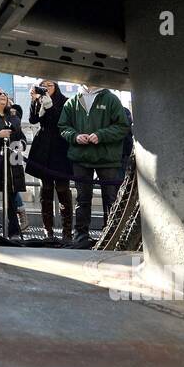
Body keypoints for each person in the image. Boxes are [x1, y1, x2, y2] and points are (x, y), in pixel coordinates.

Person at [59, 83, 131, 246]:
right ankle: (81, 235)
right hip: (81, 157)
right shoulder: (71, 102)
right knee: (83, 198)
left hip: (107, 158)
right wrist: (75, 136)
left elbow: (122, 126)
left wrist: (101, 135)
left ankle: (112, 233)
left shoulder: (111, 99)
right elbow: (63, 127)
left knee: (111, 198)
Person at [28, 80, 73, 241]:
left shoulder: (66, 101)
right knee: (45, 190)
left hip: (60, 148)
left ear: (56, 87)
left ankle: (67, 231)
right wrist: (34, 101)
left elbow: (59, 120)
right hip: (43, 148)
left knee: (63, 189)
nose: (46, 88)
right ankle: (48, 230)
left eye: (50, 85)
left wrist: (49, 106)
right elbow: (33, 120)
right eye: (43, 85)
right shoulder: (39, 99)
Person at [0, 89, 26, 236]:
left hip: (12, 165)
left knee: (12, 199)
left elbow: (22, 136)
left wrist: (22, 143)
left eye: (5, 94)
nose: (4, 95)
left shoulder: (13, 116)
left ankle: (14, 230)